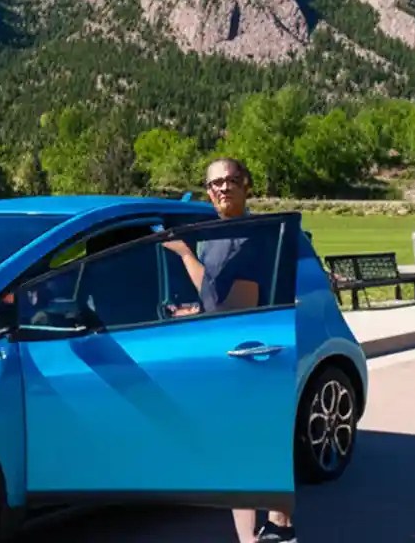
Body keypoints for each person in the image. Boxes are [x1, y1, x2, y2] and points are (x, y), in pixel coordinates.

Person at [162, 157, 299, 543]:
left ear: (247, 185)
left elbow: (234, 304)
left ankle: (275, 529)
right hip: (226, 349)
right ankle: (260, 533)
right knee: (241, 453)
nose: (223, 188)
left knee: (247, 453)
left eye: (231, 181)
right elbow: (218, 296)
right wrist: (197, 308)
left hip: (255, 354)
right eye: (215, 183)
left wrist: (186, 256)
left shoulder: (255, 235)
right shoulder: (215, 234)